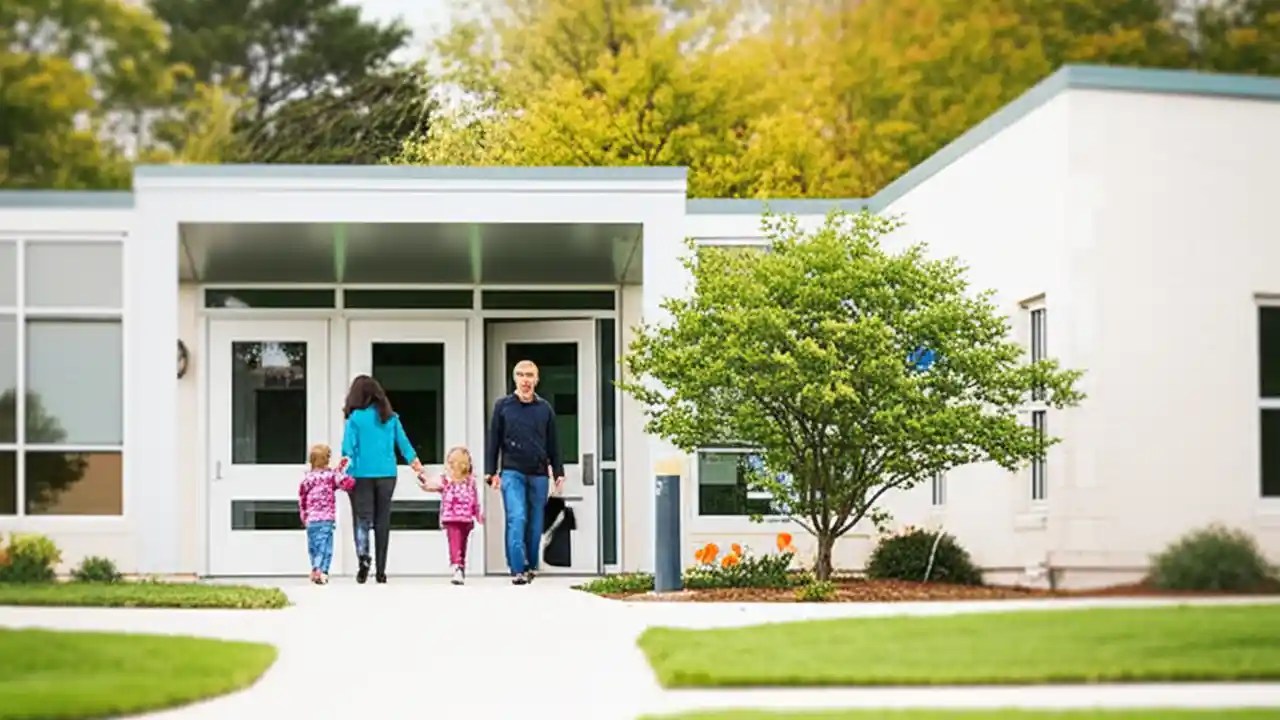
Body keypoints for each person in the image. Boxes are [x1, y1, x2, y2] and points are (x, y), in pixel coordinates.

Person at [485, 359, 565, 585]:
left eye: (530, 375)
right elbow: (494, 441)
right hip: (512, 471)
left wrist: (558, 470)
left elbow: (554, 443)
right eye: (521, 375)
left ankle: (530, 565)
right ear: (514, 378)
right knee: (517, 517)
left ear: (537, 379)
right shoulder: (503, 406)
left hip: (539, 473)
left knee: (535, 522)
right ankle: (517, 569)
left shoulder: (544, 409)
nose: (525, 380)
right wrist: (491, 471)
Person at [342, 374, 424, 584]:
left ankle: (363, 560)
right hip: (387, 474)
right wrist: (415, 464)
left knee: (362, 519)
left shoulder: (355, 419)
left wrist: (340, 470)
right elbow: (404, 444)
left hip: (361, 474)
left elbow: (348, 449)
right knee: (382, 520)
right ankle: (381, 571)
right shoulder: (391, 418)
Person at [420, 446, 484, 585]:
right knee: (455, 544)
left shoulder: (470, 482)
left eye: (450, 463)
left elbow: (475, 500)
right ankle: (457, 567)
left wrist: (477, 514)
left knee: (462, 544)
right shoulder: (446, 481)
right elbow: (433, 485)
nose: (447, 466)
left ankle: (461, 566)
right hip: (451, 519)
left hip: (466, 519)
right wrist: (424, 481)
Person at [298, 444, 353, 585]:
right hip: (326, 518)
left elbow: (302, 499)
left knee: (314, 546)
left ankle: (315, 567)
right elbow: (347, 484)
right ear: (327, 460)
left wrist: (304, 515)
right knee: (326, 546)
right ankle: (322, 571)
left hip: (311, 519)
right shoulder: (330, 477)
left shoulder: (308, 479)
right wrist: (344, 471)